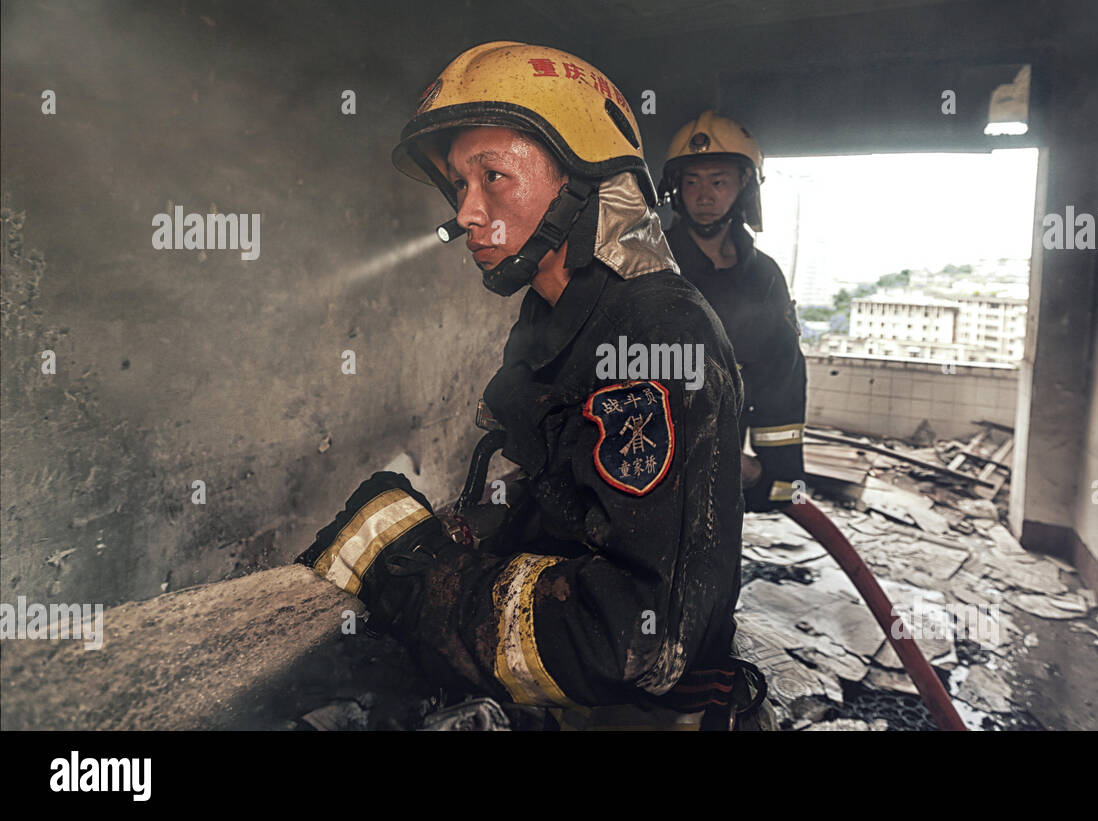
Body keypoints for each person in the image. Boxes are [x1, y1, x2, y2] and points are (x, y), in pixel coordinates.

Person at [297, 42, 761, 730]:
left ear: (584, 183)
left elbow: (636, 640)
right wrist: (479, 528)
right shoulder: (552, 311)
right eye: (458, 184)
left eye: (494, 177)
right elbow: (567, 484)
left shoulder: (657, 335)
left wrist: (426, 585)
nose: (466, 213)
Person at [659, 111, 808, 513]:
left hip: (722, 479)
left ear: (744, 185)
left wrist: (773, 474)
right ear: (675, 188)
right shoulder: (647, 266)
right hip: (642, 469)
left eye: (718, 181)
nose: (704, 196)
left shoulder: (765, 278)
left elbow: (783, 378)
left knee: (713, 572)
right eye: (692, 181)